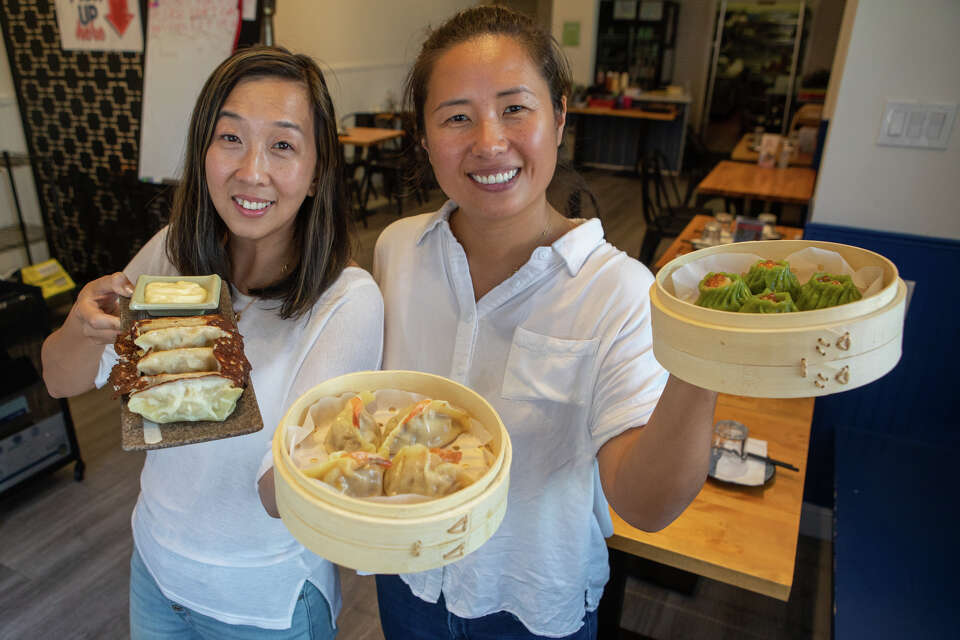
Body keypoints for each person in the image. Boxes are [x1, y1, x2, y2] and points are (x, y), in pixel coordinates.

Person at [372, 7, 717, 639]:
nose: (488, 142)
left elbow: (644, 505)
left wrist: (707, 358)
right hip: (405, 577)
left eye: (514, 108)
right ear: (423, 137)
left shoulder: (615, 289)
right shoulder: (398, 251)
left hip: (530, 603)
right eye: (455, 117)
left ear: (559, 116)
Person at [41, 46, 383, 639]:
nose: (251, 171)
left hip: (262, 603)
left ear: (319, 168)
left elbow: (282, 495)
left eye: (283, 144)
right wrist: (81, 326)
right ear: (203, 150)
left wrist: (338, 462)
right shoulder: (170, 255)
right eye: (230, 138)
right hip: (155, 569)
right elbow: (59, 379)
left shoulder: (346, 301)